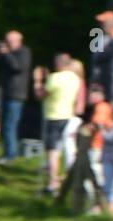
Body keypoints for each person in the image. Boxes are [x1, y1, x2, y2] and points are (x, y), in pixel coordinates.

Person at [36, 53, 80, 194]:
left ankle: (53, 182)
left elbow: (42, 95)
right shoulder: (75, 79)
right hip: (68, 116)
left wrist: (37, 81)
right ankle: (66, 179)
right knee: (66, 149)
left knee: (53, 151)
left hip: (54, 116)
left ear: (59, 64)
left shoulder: (55, 78)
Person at [0, 30, 30, 161]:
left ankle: (11, 154)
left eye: (10, 42)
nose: (8, 44)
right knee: (5, 124)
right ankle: (6, 150)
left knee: (11, 125)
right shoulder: (9, 54)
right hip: (6, 93)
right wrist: (1, 54)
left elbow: (17, 67)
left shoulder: (24, 52)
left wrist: (7, 54)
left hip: (16, 94)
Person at [91, 11, 113, 104]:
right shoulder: (106, 40)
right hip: (99, 90)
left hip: (107, 93)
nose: (101, 25)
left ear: (112, 24)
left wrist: (111, 97)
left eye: (104, 23)